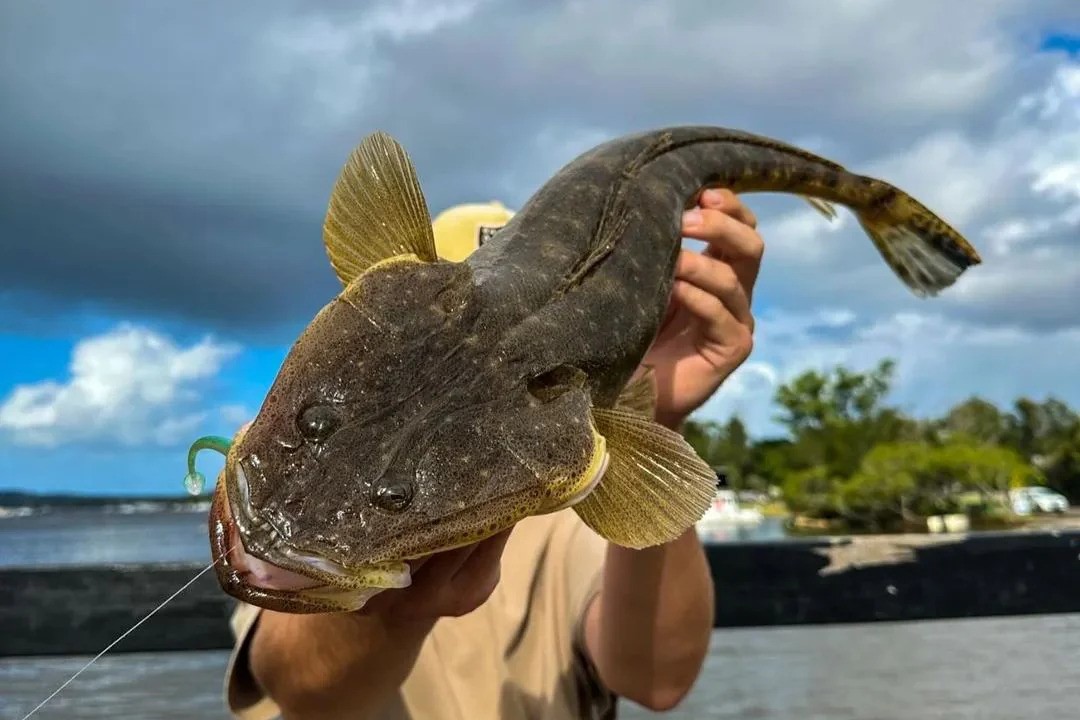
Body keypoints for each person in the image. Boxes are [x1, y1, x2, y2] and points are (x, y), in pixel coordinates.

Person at [223, 188, 765, 720]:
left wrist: (652, 409)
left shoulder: (579, 475)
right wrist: (389, 611)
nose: (466, 371)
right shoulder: (290, 468)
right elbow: (301, 692)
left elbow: (654, 678)